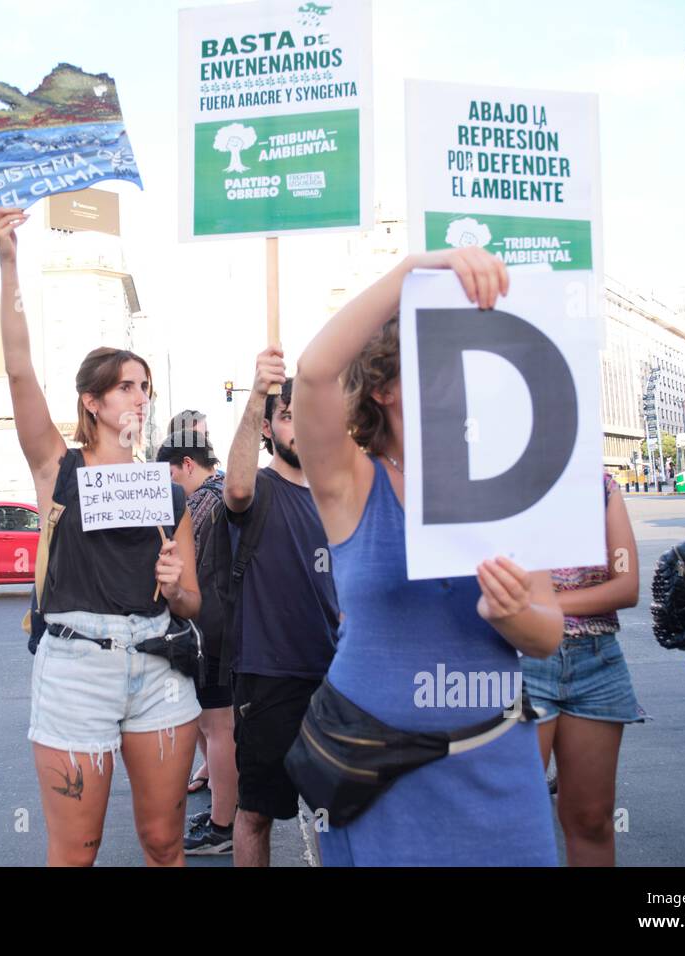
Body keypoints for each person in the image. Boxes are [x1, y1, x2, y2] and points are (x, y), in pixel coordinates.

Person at [292, 246, 563, 866]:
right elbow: (313, 373)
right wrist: (414, 270)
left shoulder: (513, 481)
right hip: (378, 780)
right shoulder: (352, 483)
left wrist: (512, 613)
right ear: (384, 387)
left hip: (497, 771)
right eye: (437, 360)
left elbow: (547, 634)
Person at [0, 206, 202, 867]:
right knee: (77, 848)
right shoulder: (60, 467)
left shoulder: (167, 490)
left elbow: (191, 603)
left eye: (145, 388)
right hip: (76, 665)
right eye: (126, 387)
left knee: (165, 841)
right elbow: (19, 370)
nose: (139, 398)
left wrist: (176, 587)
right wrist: (9, 260)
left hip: (160, 669)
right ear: (92, 401)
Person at [223, 354, 340, 867]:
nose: (299, 427)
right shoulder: (259, 489)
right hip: (269, 678)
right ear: (269, 427)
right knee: (257, 813)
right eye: (287, 415)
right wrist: (255, 395)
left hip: (339, 677)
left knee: (342, 810)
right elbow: (237, 488)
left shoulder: (342, 497)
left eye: (306, 414)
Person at [521, 472, 645, 866]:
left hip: (597, 661)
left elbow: (627, 587)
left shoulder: (598, 483)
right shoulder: (495, 476)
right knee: (516, 818)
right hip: (519, 662)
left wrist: (544, 604)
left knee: (592, 820)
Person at [157, 430, 237, 854]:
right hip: (224, 621)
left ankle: (223, 826)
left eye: (170, 473)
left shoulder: (203, 501)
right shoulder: (225, 490)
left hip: (214, 623)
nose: (168, 486)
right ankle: (223, 809)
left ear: (187, 464)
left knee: (216, 724)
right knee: (215, 723)